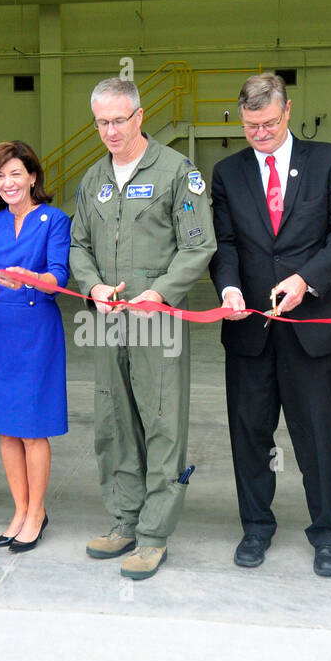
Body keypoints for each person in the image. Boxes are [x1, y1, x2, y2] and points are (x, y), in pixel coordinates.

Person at [210, 73, 331, 578]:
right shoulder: (227, 172)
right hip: (249, 331)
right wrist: (229, 288)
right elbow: (225, 243)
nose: (260, 133)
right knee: (250, 434)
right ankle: (256, 527)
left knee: (317, 437)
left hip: (313, 327)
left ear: (289, 110)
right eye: (251, 125)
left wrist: (306, 280)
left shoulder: (329, 161)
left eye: (270, 123)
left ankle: (325, 534)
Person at [69, 78, 217, 581]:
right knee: (114, 419)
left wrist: (162, 292)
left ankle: (153, 533)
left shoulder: (178, 172)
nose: (110, 131)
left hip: (158, 321)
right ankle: (123, 519)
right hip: (110, 320)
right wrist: (92, 287)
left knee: (160, 423)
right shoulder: (93, 180)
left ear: (139, 116)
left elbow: (198, 245)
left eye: (118, 120)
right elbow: (78, 246)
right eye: (101, 123)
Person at [0, 141, 71, 553]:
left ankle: (37, 513)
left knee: (33, 428)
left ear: (32, 176)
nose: (7, 182)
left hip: (36, 329)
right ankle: (19, 510)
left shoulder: (54, 220)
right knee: (7, 428)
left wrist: (30, 276)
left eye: (15, 174)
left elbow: (58, 276)